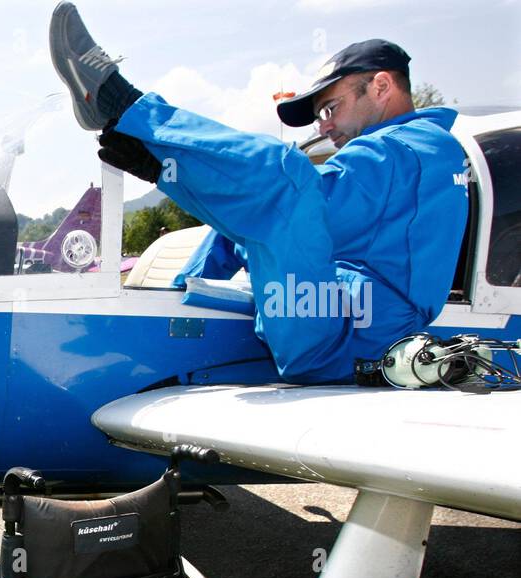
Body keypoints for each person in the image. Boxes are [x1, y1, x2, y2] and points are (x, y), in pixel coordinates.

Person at [49, 2, 469, 384]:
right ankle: (176, 290)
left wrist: (171, 170)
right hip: (336, 314)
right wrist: (186, 291)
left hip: (359, 337)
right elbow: (277, 219)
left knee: (287, 181)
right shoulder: (406, 153)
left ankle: (123, 102)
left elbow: (304, 206)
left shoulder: (410, 147)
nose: (323, 126)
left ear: (380, 86)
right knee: (256, 206)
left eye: (330, 108)